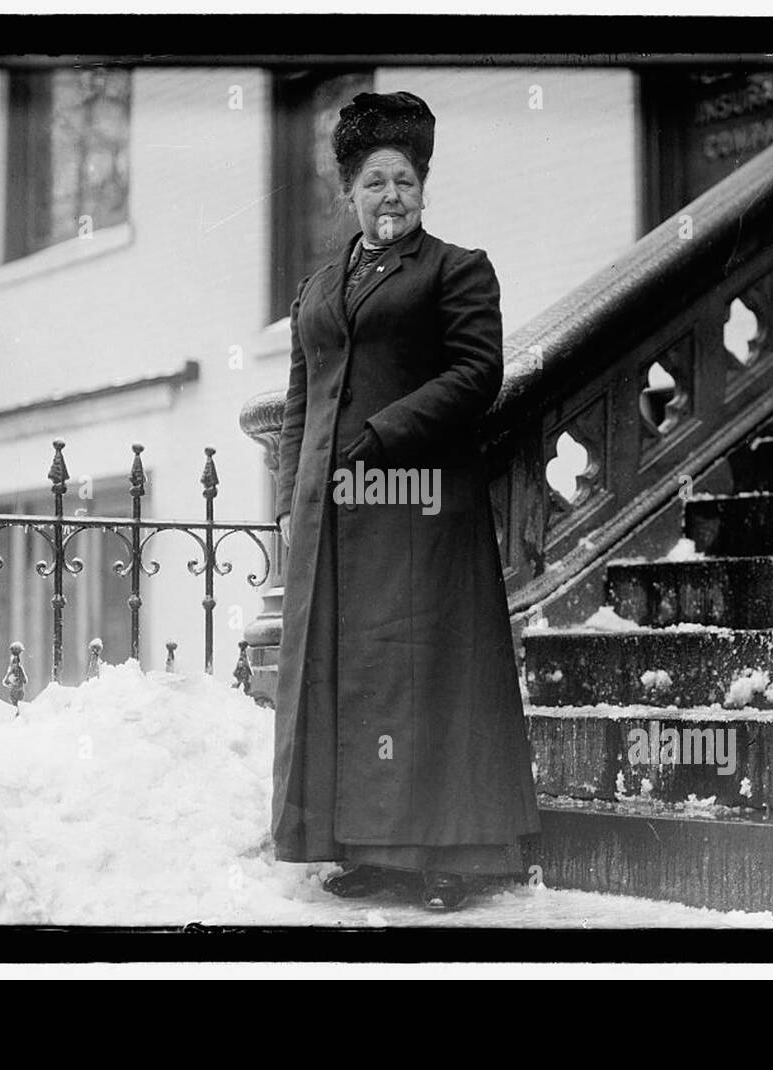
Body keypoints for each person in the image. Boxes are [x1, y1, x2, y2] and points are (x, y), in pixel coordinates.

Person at [271, 91, 540, 911]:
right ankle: (376, 849)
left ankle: (459, 854)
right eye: (375, 181)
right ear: (348, 194)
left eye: (405, 181)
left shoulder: (456, 268)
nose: (392, 195)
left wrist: (387, 434)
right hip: (335, 515)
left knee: (427, 674)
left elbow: (475, 374)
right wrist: (290, 498)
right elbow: (297, 398)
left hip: (420, 504)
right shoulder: (319, 288)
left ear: (422, 189)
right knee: (358, 678)